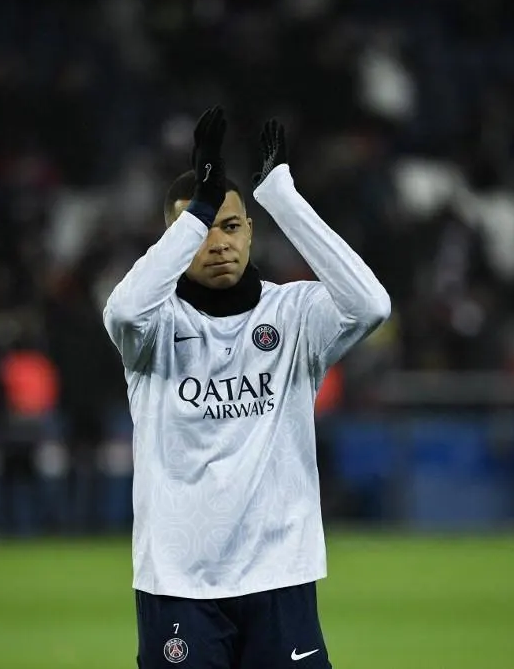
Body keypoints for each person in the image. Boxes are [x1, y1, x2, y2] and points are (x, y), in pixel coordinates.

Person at [103, 107, 391, 669]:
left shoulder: (294, 316)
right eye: (201, 228)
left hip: (279, 576)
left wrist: (282, 196)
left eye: (230, 225)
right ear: (174, 240)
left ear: (251, 230)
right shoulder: (153, 329)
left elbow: (371, 304)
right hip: (180, 582)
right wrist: (201, 206)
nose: (217, 241)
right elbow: (122, 307)